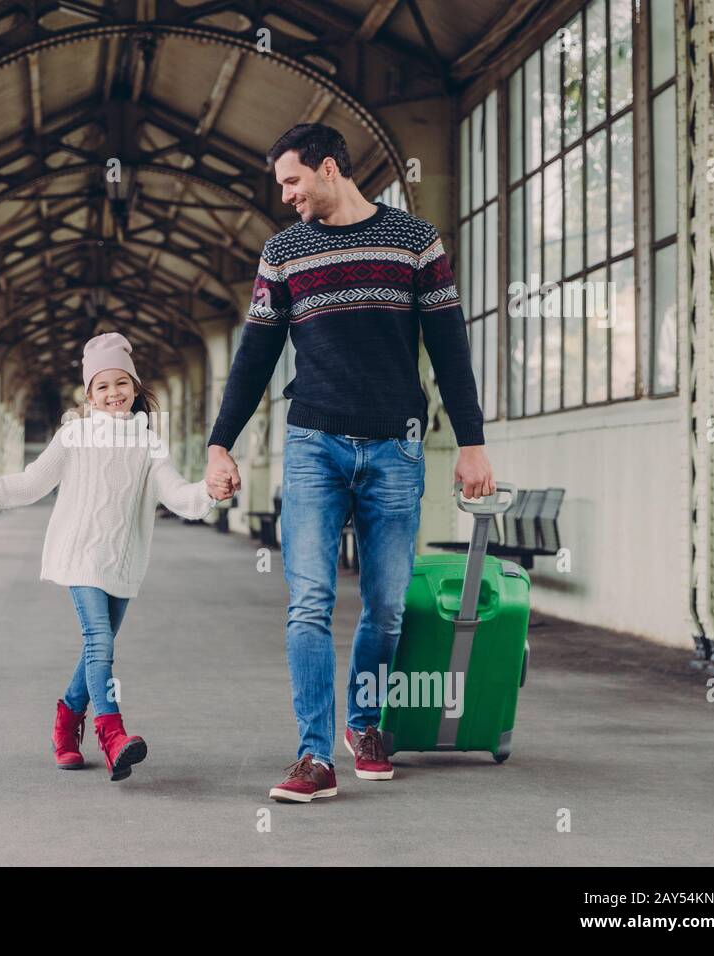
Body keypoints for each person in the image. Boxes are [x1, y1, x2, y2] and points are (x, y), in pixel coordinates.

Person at [204, 123, 496, 803]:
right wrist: (221, 441)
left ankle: (364, 726)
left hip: (396, 445)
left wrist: (473, 441)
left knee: (387, 606)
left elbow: (450, 349)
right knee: (310, 602)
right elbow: (255, 356)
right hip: (314, 444)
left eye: (292, 181)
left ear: (328, 168)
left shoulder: (416, 242)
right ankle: (313, 754)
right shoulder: (283, 253)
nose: (286, 196)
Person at [0, 332, 229, 781]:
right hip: (81, 554)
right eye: (102, 386)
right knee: (99, 640)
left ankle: (65, 724)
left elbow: (176, 494)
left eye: (121, 383)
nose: (114, 393)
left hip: (124, 560)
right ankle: (111, 734)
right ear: (89, 395)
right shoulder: (74, 436)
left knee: (98, 645)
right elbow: (31, 484)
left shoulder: (149, 443)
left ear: (135, 387)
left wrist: (208, 491)